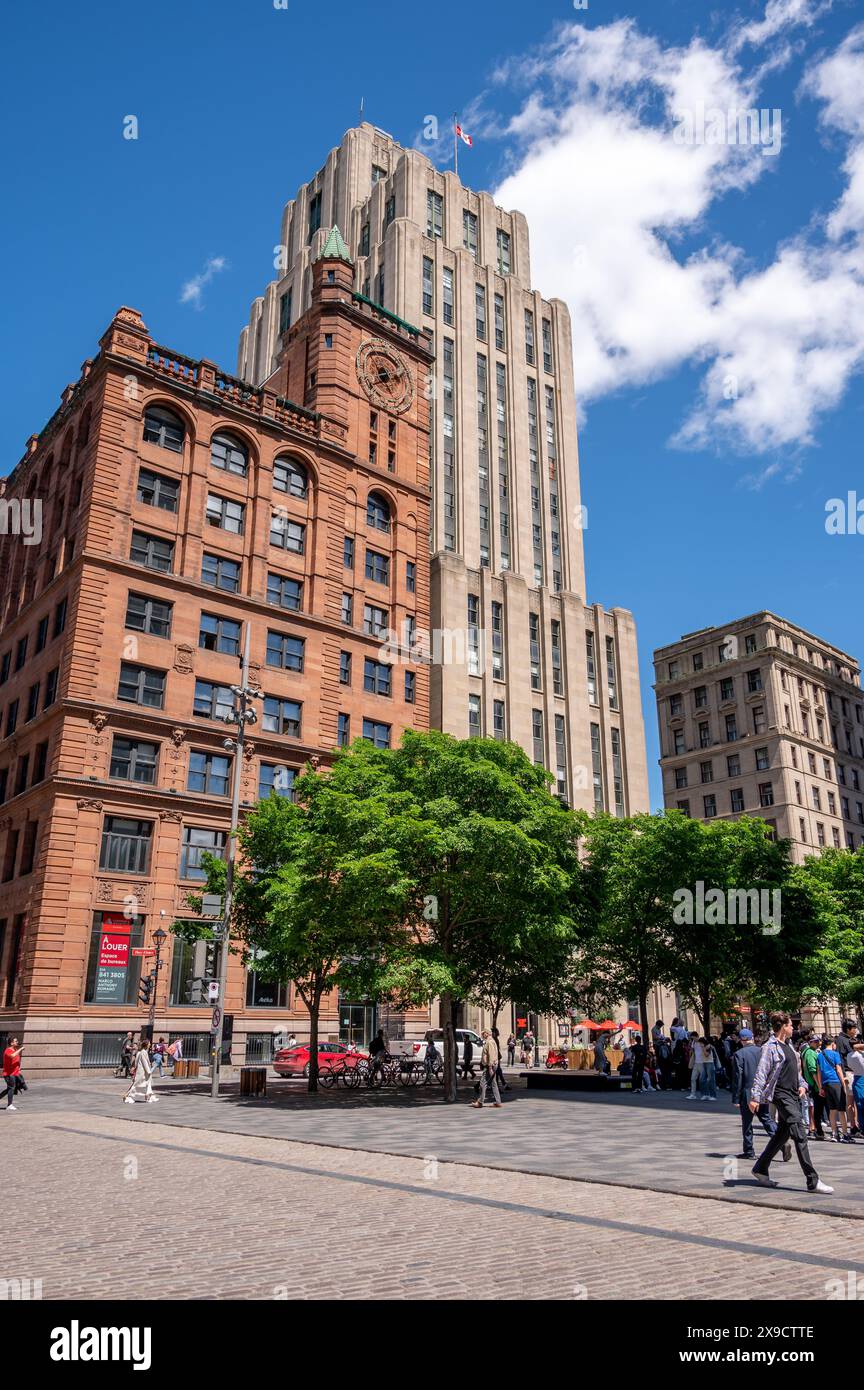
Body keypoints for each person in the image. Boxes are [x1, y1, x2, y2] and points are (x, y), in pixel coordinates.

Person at [750, 1012, 832, 1194]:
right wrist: (755, 1097)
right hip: (780, 1095)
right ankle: (813, 1180)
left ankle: (760, 1169)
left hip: (793, 1095)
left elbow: (796, 1073)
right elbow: (761, 1072)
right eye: (790, 1024)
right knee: (800, 1133)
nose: (793, 1027)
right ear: (783, 1026)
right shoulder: (769, 1047)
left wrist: (802, 1085)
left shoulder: (789, 1046)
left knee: (781, 1135)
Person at [732, 1029, 778, 1159]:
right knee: (766, 1118)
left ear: (741, 1040)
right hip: (762, 1091)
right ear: (752, 1038)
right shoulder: (762, 1051)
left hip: (747, 1093)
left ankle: (749, 1151)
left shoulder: (739, 1054)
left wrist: (736, 1097)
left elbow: (738, 1077)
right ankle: (780, 1141)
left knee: (747, 1123)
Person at [817, 1035, 852, 1143]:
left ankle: (834, 1133)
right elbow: (839, 1070)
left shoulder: (820, 1055)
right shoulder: (835, 1054)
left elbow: (818, 1071)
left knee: (832, 1110)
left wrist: (820, 1087)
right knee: (841, 1110)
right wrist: (843, 1084)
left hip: (825, 1083)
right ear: (832, 1044)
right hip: (836, 1082)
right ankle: (845, 1134)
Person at [835, 1021, 861, 1136]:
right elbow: (840, 1058)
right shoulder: (841, 1040)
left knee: (855, 1101)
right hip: (848, 1072)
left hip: (853, 1072)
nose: (855, 1030)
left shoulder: (847, 1039)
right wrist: (844, 1074)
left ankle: (856, 1124)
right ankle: (853, 1126)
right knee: (851, 1101)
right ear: (848, 1029)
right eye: (854, 1028)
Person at [801, 1033, 825, 1139]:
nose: (818, 1043)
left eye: (818, 1041)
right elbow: (813, 1070)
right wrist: (819, 1086)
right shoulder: (810, 1052)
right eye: (816, 1041)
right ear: (811, 1042)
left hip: (813, 1084)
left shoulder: (808, 1051)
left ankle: (815, 1128)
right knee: (817, 1108)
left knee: (815, 1107)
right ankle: (818, 1130)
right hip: (814, 1085)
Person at [471, 1029, 501, 1109]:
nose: (482, 1035)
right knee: (493, 1084)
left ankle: (480, 1102)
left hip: (490, 1066)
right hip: (491, 1065)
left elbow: (491, 1055)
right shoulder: (490, 1041)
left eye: (483, 1033)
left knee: (482, 1083)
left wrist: (490, 1067)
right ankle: (498, 1102)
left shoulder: (489, 1042)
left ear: (487, 1033)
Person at [124, 1039, 157, 1104]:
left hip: (144, 1072)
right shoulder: (143, 1052)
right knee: (137, 1085)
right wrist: (149, 1071)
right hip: (142, 1072)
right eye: (149, 1043)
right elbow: (145, 1063)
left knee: (147, 1084)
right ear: (146, 1044)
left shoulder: (143, 1052)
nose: (150, 1044)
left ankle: (149, 1096)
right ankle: (128, 1097)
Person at [1, 1037, 24, 1110]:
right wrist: (21, 1049)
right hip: (8, 1074)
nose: (17, 1042)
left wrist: (18, 1069)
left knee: (9, 1088)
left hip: (14, 1073)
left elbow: (16, 1061)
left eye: (17, 1041)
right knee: (11, 1088)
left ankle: (9, 1104)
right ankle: (9, 1105)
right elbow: (12, 1056)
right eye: (15, 1041)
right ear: (11, 1043)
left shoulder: (15, 1050)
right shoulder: (8, 1050)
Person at [491, 1027, 510, 1092]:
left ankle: (503, 1085)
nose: (497, 1033)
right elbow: (495, 1051)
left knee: (498, 1073)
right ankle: (499, 1087)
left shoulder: (495, 1039)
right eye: (496, 1032)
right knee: (494, 1074)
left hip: (496, 1058)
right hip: (494, 1059)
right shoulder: (493, 1040)